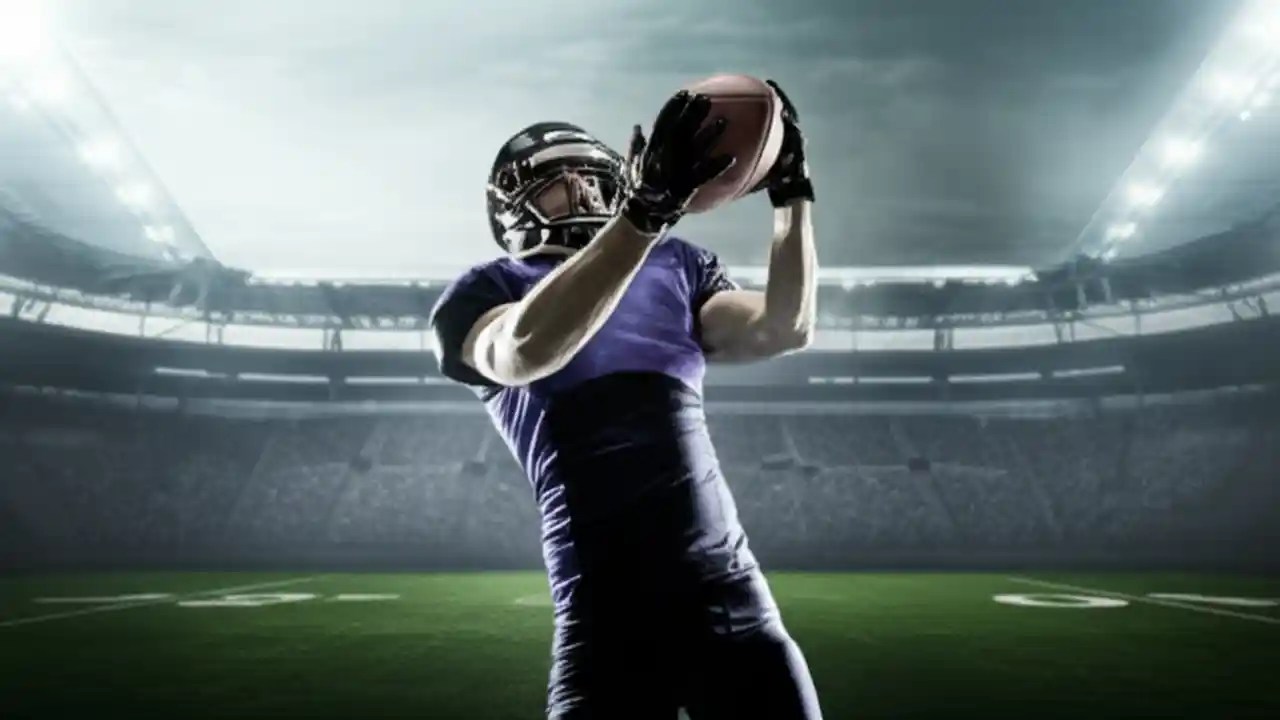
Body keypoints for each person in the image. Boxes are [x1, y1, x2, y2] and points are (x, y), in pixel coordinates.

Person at [429, 83, 822, 719]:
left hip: (731, 596)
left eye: (597, 179)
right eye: (563, 180)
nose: (587, 193)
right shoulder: (487, 288)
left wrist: (792, 193)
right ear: (512, 201)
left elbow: (786, 326)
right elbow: (525, 351)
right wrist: (639, 218)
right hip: (607, 612)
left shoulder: (675, 264)